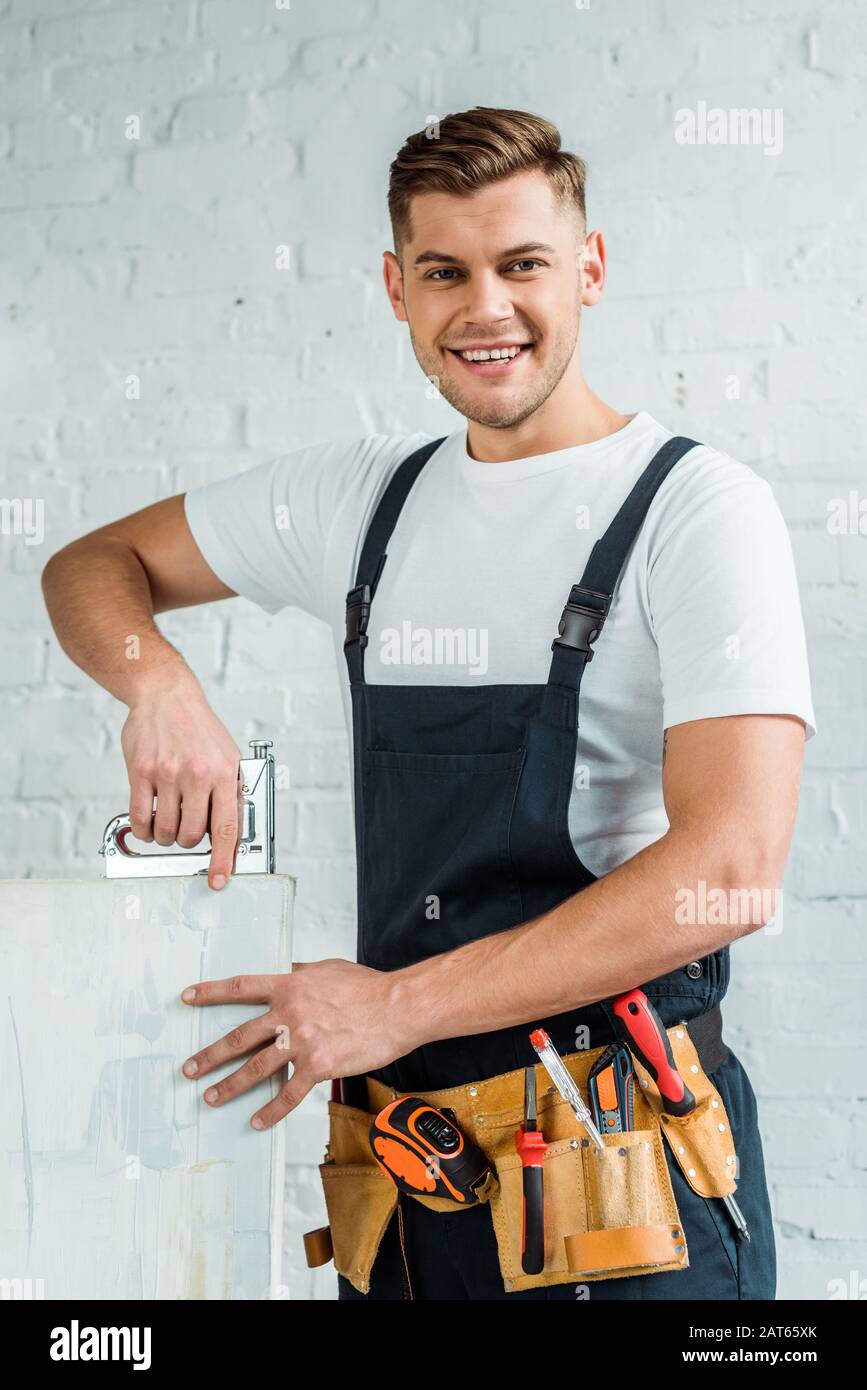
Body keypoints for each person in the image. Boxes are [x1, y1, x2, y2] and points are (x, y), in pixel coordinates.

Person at [42, 107, 815, 1301]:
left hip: (623, 1188)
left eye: (524, 265)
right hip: (412, 1196)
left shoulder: (695, 511)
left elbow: (735, 865)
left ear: (591, 269)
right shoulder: (364, 500)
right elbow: (89, 568)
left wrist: (392, 1006)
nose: (486, 308)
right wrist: (158, 683)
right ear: (398, 288)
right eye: (446, 272)